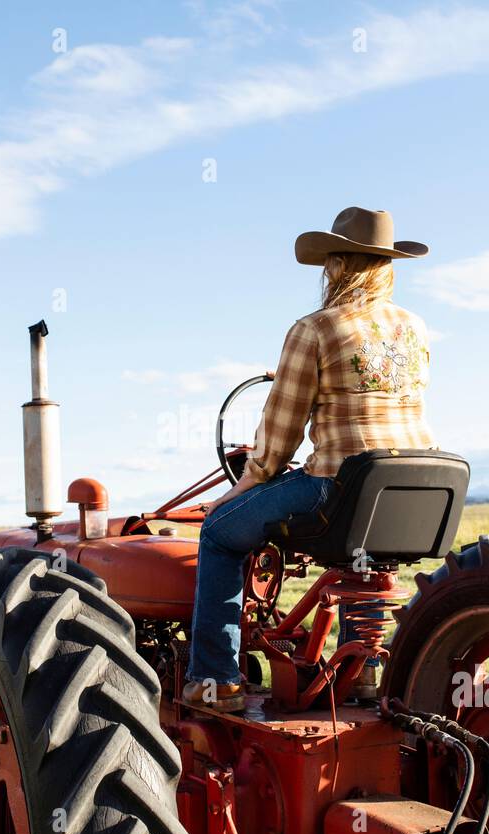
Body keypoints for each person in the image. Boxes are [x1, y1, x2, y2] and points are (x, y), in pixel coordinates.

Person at [183, 207, 438, 712]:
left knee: (218, 532)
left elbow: (281, 429)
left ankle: (217, 681)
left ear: (337, 266)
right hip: (413, 485)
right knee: (363, 553)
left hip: (340, 484)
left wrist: (247, 483)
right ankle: (363, 672)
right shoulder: (415, 329)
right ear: (387, 268)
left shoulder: (317, 329)